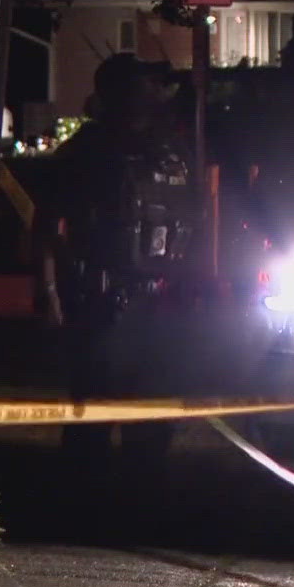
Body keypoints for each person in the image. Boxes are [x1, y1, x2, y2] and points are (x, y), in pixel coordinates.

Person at [33, 53, 200, 495]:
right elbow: (47, 224)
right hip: (103, 300)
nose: (155, 91)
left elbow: (194, 221)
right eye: (144, 84)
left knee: (153, 415)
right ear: (120, 93)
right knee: (94, 413)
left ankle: (143, 500)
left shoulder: (172, 152)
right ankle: (86, 507)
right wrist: (48, 290)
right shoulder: (87, 151)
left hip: (161, 305)